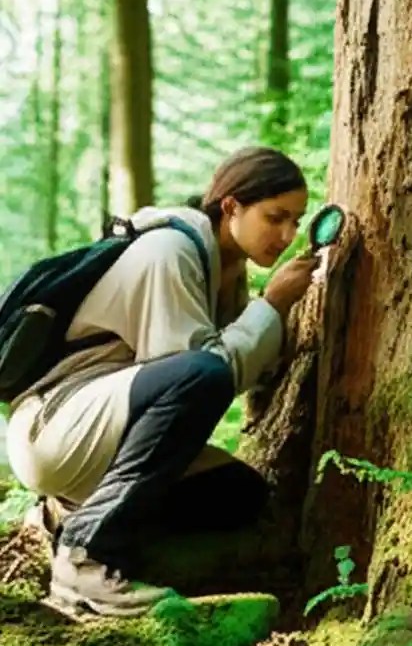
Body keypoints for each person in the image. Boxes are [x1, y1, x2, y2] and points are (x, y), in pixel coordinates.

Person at [4, 146, 320, 617]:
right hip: (54, 426)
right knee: (203, 374)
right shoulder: (169, 251)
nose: (287, 235)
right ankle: (83, 559)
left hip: (95, 433)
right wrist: (270, 306)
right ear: (231, 206)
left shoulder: (224, 271)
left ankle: (64, 516)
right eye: (275, 217)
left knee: (239, 495)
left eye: (296, 221)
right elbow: (194, 374)